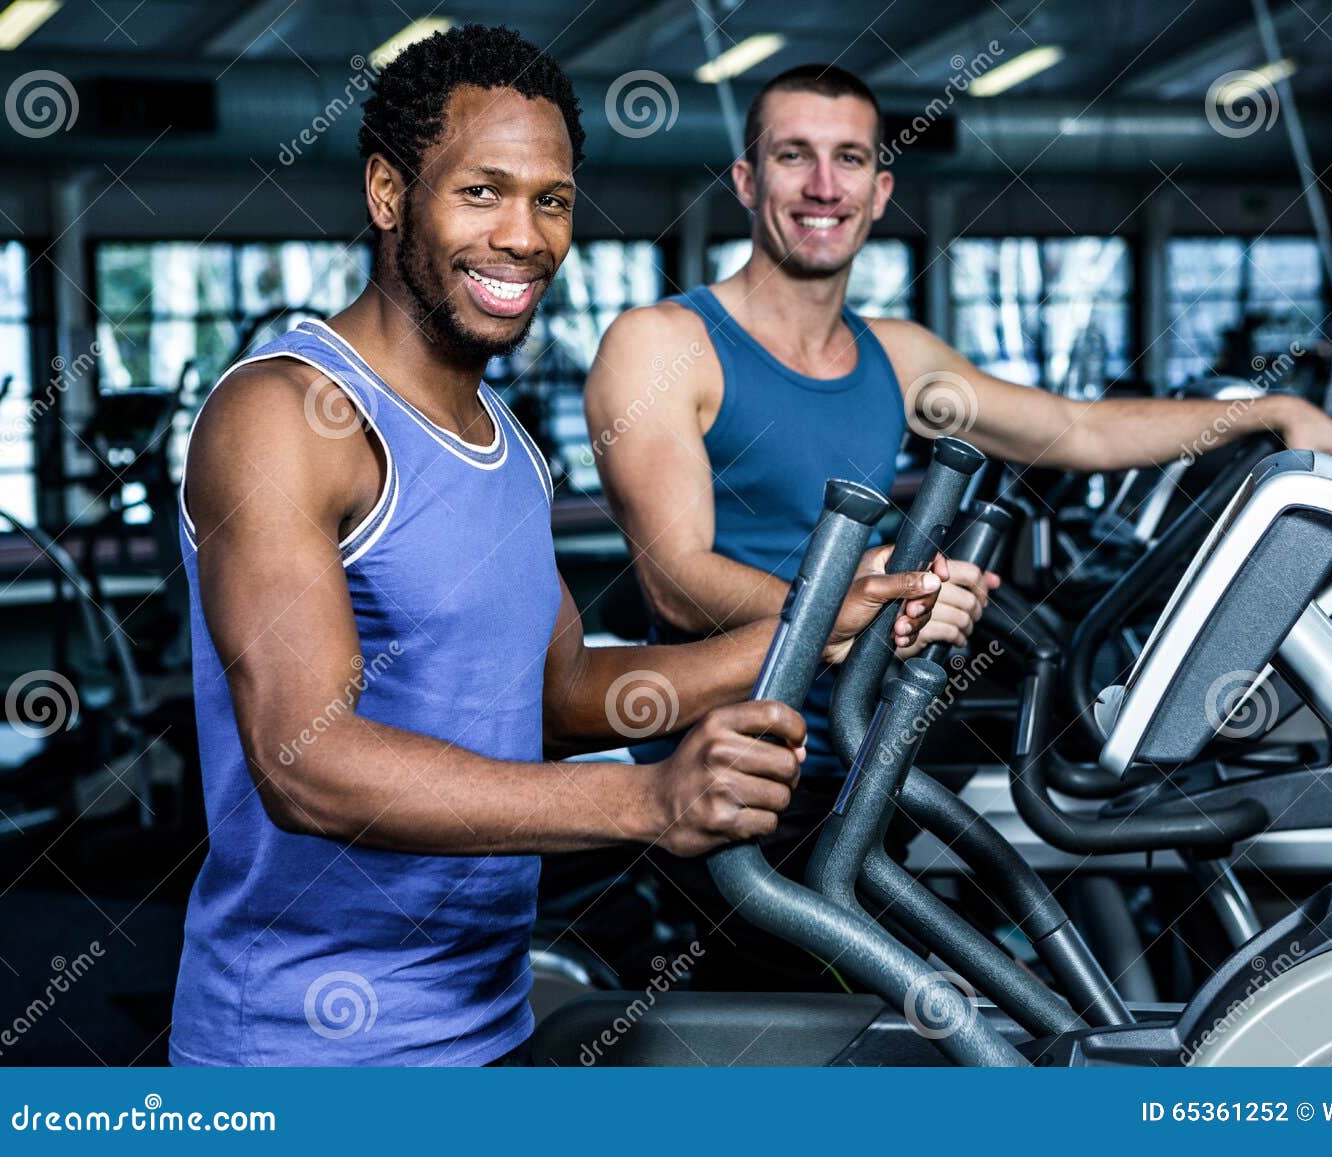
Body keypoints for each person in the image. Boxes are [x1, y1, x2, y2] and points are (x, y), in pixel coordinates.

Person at [170, 27, 940, 1067]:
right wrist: (647, 800)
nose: (524, 236)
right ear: (388, 193)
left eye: (552, 200)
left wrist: (818, 627)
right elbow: (307, 763)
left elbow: (559, 696)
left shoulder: (508, 445)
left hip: (489, 1023)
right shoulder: (286, 414)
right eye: (481, 192)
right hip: (309, 1059)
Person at [584, 63, 1332, 988]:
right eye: (794, 156)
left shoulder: (895, 358)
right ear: (747, 180)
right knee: (866, 1018)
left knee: (985, 971)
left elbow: (1075, 430)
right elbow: (677, 580)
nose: (824, 186)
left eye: (849, 160)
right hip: (734, 777)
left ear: (881, 190)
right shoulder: (665, 343)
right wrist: (866, 605)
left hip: (865, 758)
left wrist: (1268, 412)